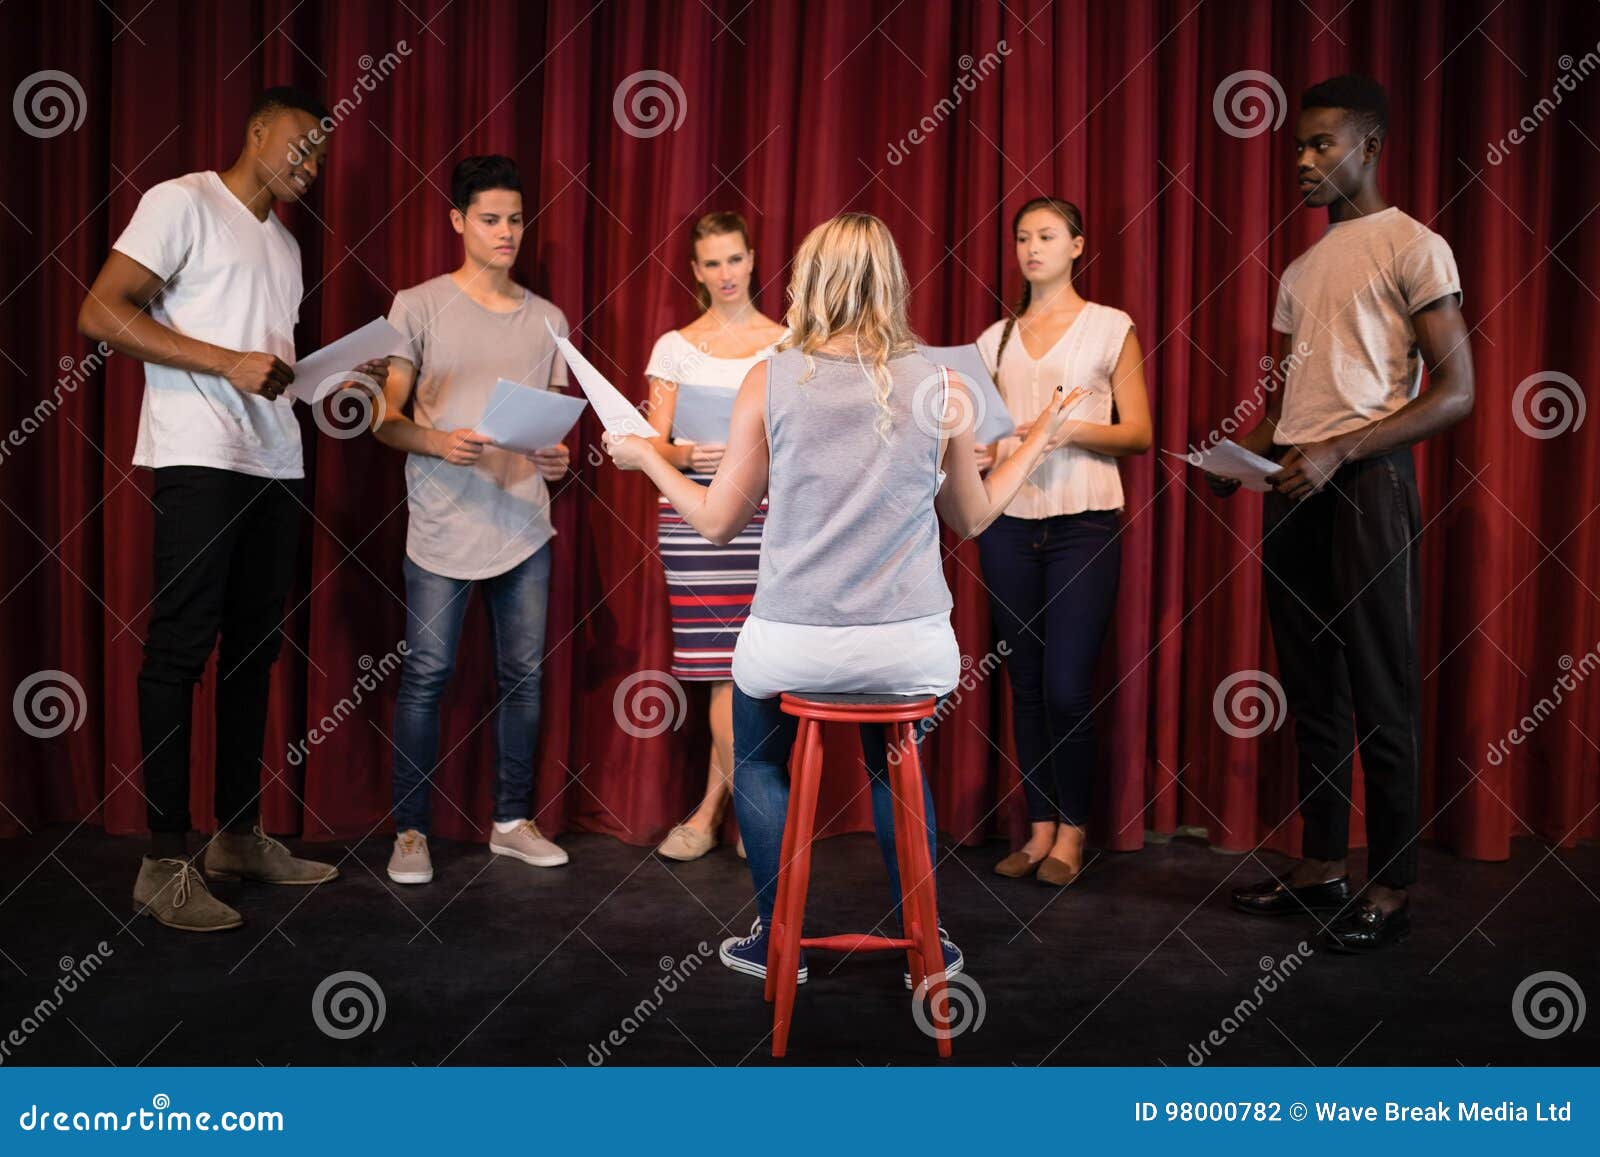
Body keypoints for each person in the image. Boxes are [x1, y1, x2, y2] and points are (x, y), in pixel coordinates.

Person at [604, 212, 1086, 984]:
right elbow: (971, 517)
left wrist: (642, 458)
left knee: (757, 760)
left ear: (808, 279)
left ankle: (776, 943)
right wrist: (1040, 436)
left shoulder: (772, 375)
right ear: (891, 280)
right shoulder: (941, 382)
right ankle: (924, 942)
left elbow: (718, 522)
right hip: (912, 645)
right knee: (897, 756)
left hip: (794, 637)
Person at [78, 87, 389, 932]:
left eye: (322, 156)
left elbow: (268, 362)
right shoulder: (182, 200)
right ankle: (163, 858)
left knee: (256, 652)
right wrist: (227, 363)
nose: (312, 164)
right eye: (301, 145)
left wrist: (324, 379)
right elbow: (101, 309)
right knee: (180, 648)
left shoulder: (285, 247)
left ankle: (238, 835)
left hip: (276, 461)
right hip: (199, 457)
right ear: (257, 131)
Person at [1213, 76, 1474, 953]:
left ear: (1371, 144)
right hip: (1295, 485)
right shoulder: (1298, 268)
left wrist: (1340, 451)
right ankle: (1322, 865)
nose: (1303, 160)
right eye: (1296, 146)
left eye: (1323, 144)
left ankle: (1393, 880)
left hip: (1368, 484)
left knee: (1380, 684)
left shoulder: (1416, 245)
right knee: (1312, 687)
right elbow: (1290, 402)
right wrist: (1235, 452)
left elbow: (1458, 392)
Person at [371, 155, 572, 885]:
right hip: (441, 523)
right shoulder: (416, 305)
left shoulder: (548, 318)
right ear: (458, 221)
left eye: (516, 219)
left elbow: (550, 429)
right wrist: (436, 440)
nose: (506, 232)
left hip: (522, 521)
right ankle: (412, 831)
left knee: (522, 675)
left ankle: (512, 821)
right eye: (490, 218)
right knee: (427, 673)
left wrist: (557, 462)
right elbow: (385, 421)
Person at [974, 197, 1152, 886]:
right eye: (1022, 237)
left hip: (1083, 523)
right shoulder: (995, 338)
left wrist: (1061, 428)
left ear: (1078, 245)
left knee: (1067, 685)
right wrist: (992, 441)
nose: (1031, 247)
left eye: (1047, 236)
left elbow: (1137, 432)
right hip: (1008, 523)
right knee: (1023, 682)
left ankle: (1075, 830)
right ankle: (1040, 824)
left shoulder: (1111, 328)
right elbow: (984, 441)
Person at [642, 211, 786, 862]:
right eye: (712, 263)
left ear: (753, 259)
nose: (726, 273)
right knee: (719, 673)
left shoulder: (788, 344)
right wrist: (686, 454)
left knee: (752, 672)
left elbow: (805, 441)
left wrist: (750, 452)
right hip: (694, 519)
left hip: (771, 519)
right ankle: (753, 819)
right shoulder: (674, 346)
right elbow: (654, 445)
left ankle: (714, 814)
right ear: (695, 272)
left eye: (735, 259)